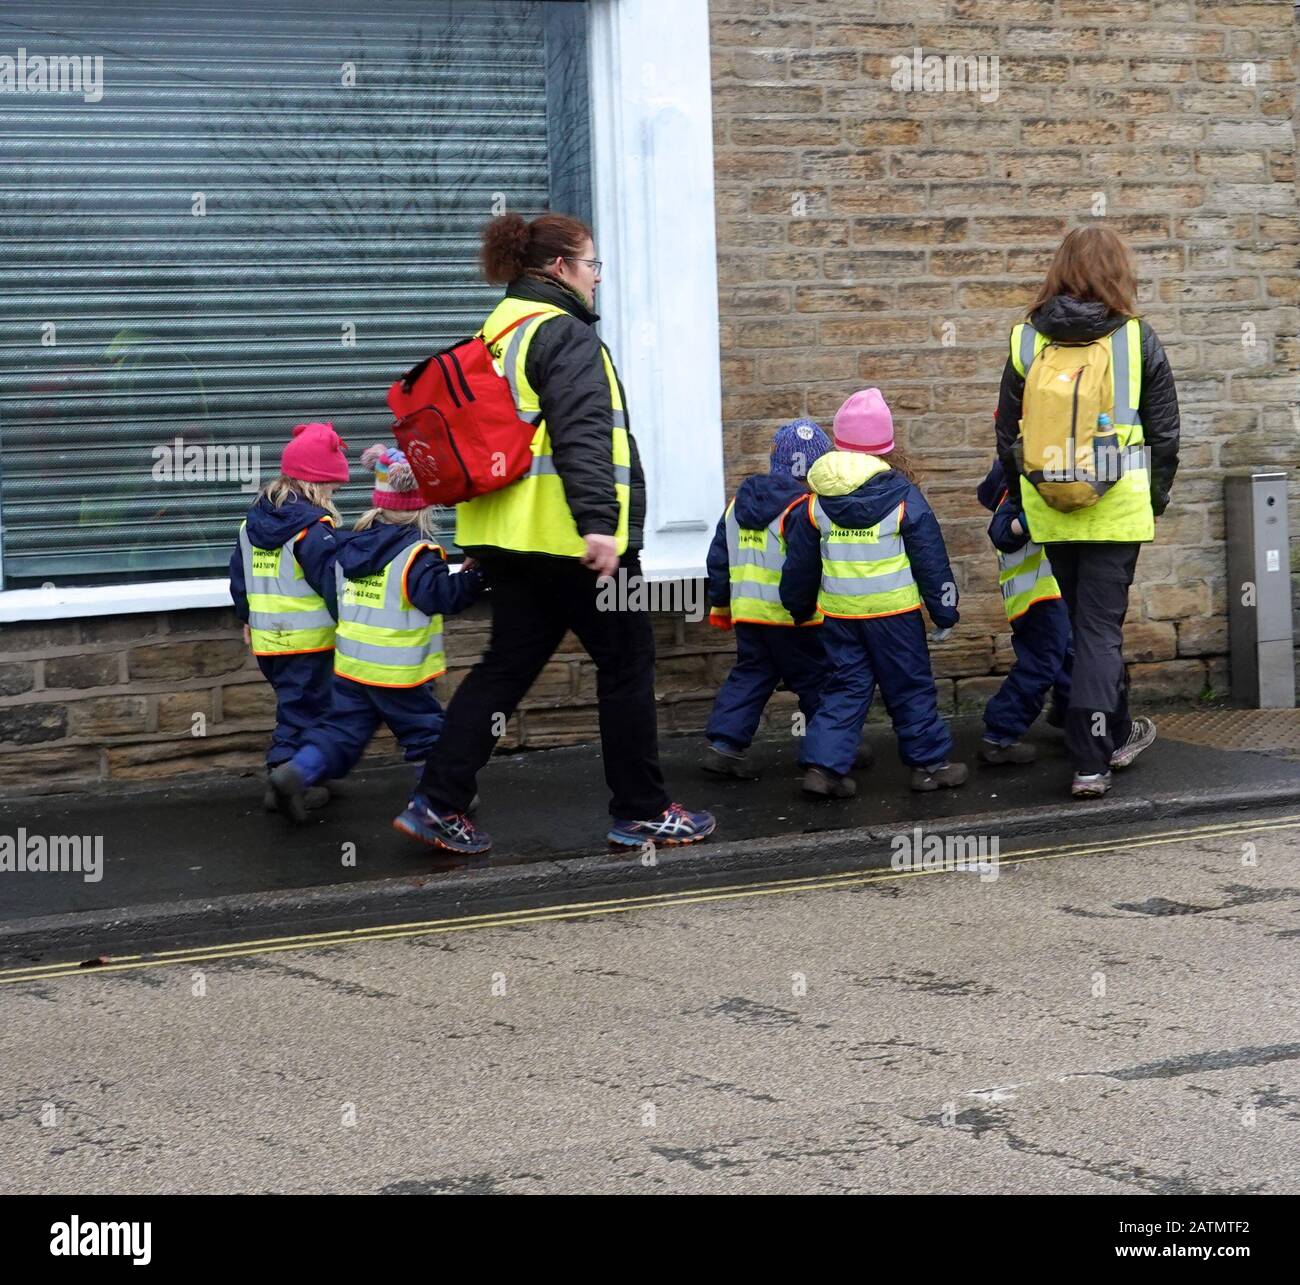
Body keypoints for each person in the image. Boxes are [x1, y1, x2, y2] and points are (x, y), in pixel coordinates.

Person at [392, 212, 715, 854]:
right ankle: (642, 810)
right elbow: (583, 435)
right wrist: (600, 526)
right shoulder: (565, 336)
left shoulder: (495, 333)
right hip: (574, 542)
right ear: (559, 269)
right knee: (626, 665)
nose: (597, 279)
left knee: (504, 669)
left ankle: (438, 801)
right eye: (592, 265)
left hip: (503, 539)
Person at [993, 226, 1179, 797]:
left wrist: (1034, 490)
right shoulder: (1135, 338)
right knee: (1100, 631)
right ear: (1118, 272)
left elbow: (1006, 432)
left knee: (1085, 626)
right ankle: (1091, 761)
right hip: (1117, 506)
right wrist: (1153, 499)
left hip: (1051, 504)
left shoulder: (1026, 337)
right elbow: (1165, 434)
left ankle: (1112, 732)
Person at [269, 445, 485, 822]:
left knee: (342, 731)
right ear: (424, 506)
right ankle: (443, 799)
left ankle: (297, 771)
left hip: (353, 667)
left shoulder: (350, 545)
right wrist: (477, 576)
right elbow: (443, 597)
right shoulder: (417, 554)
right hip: (399, 674)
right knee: (426, 734)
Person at [780, 388, 967, 797]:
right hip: (895, 616)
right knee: (910, 687)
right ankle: (930, 766)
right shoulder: (903, 497)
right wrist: (945, 612)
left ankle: (824, 769)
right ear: (886, 445)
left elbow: (800, 566)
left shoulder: (817, 501)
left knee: (844, 689)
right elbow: (931, 561)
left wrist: (797, 607)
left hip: (840, 617)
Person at [703, 418, 866, 780]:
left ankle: (725, 745)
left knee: (752, 673)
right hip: (794, 617)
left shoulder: (735, 507)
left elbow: (719, 559)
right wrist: (812, 606)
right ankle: (829, 752)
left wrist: (721, 605)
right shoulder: (805, 509)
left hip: (749, 614)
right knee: (819, 682)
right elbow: (805, 566)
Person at [229, 421, 348, 811]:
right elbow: (332, 584)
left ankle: (309, 772)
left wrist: (247, 617)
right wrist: (351, 622)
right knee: (303, 710)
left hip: (269, 642)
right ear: (316, 485)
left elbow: (239, 578)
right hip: (308, 643)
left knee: (302, 704)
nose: (334, 494)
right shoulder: (311, 530)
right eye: (332, 486)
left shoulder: (251, 524)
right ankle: (284, 776)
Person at [976, 458, 1072, 764]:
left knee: (1071, 654)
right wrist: (1031, 522)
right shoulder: (1017, 483)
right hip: (1037, 595)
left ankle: (1075, 719)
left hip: (1046, 592)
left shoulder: (1029, 475)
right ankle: (999, 734)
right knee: (1041, 663)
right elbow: (1001, 532)